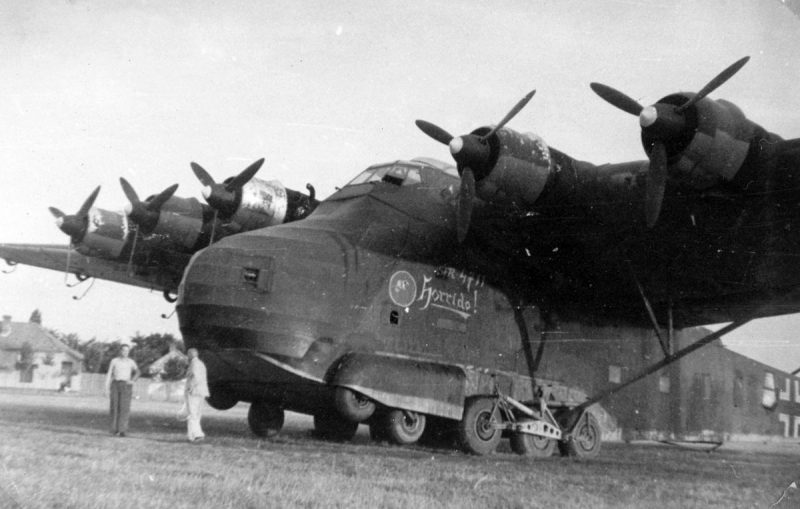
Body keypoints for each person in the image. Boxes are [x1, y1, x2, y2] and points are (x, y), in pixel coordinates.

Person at [105, 344, 140, 436]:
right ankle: (114, 430)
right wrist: (106, 387)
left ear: (129, 352)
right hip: (115, 384)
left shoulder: (131, 362)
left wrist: (132, 381)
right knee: (114, 407)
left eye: (127, 351)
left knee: (124, 408)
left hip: (126, 385)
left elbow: (138, 372)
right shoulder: (114, 361)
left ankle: (122, 430)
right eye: (123, 350)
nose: (125, 352)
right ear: (120, 351)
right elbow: (109, 373)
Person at [184, 348, 209, 442]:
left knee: (192, 413)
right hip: (202, 391)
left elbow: (196, 377)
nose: (187, 356)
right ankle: (191, 436)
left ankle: (197, 434)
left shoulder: (194, 364)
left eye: (188, 354)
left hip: (194, 391)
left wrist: (191, 387)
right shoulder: (201, 364)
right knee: (197, 414)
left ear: (190, 355)